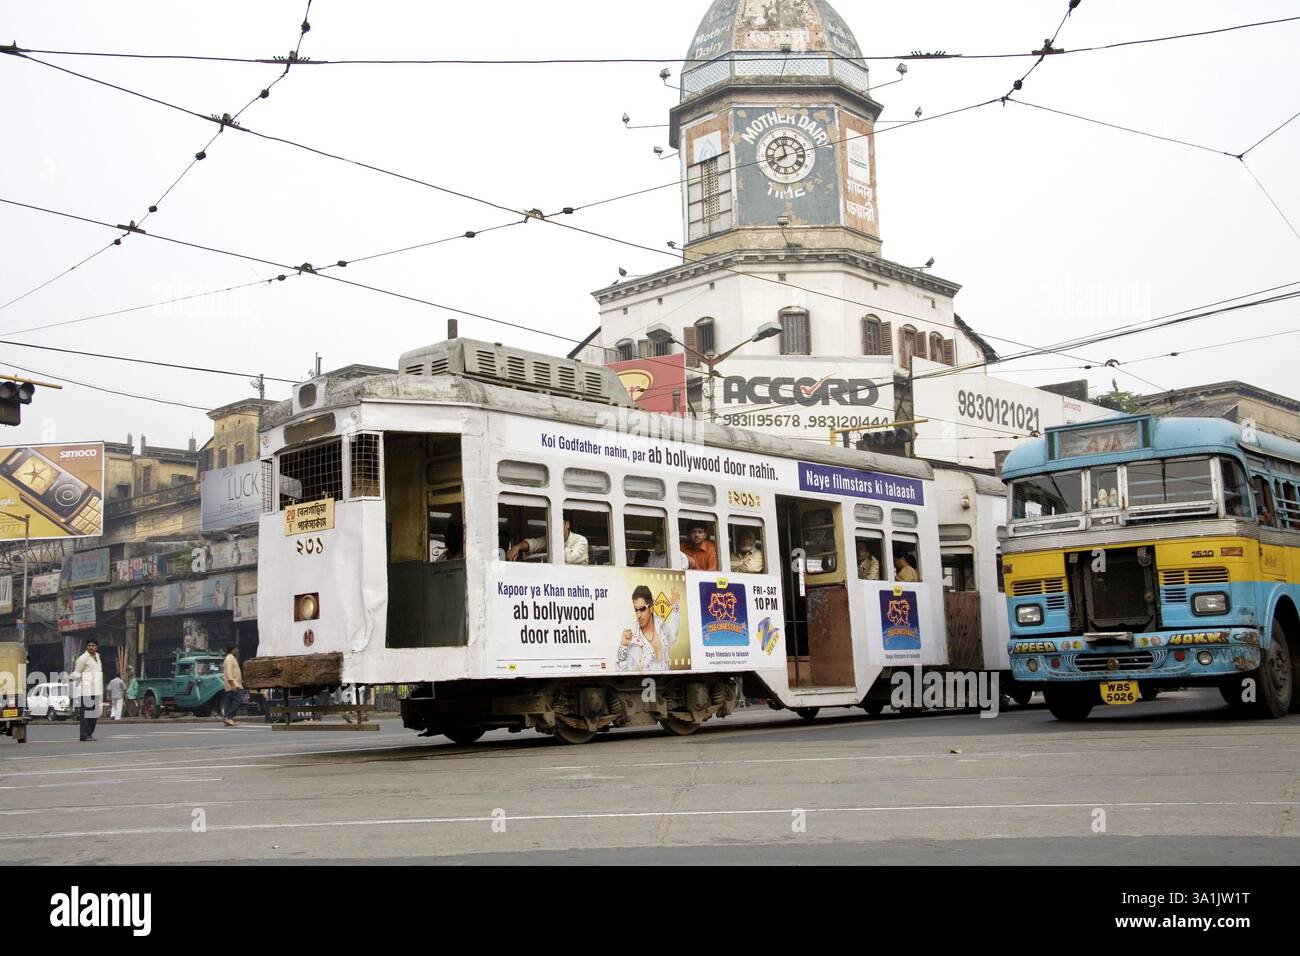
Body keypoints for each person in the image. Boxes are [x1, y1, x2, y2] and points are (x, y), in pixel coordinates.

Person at [617, 585, 679, 672]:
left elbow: (672, 638)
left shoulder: (661, 626)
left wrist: (675, 607)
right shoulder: (633, 640)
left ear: (650, 608)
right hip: (646, 683)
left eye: (642, 609)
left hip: (665, 681)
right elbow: (621, 671)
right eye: (636, 610)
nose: (638, 615)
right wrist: (623, 646)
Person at [508, 512, 589, 564]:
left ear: (567, 524)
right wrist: (517, 547)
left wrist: (555, 542)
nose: (556, 528)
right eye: (553, 526)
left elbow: (569, 558)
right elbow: (534, 543)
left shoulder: (581, 540)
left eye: (559, 524)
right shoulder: (550, 538)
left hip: (580, 585)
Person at [72, 639, 102, 742]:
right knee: (86, 715)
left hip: (96, 690)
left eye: (93, 645)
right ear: (86, 647)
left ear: (96, 647)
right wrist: (84, 679)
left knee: (94, 714)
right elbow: (76, 674)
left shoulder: (97, 656)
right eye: (89, 645)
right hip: (85, 691)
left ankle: (89, 734)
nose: (91, 647)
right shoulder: (82, 659)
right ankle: (84, 735)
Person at [222, 644, 245, 726]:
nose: (237, 650)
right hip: (233, 684)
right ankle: (228, 717)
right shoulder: (229, 659)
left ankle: (228, 719)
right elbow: (228, 673)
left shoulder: (232, 658)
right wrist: (232, 684)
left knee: (229, 703)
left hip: (234, 684)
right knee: (239, 700)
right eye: (236, 649)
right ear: (232, 650)